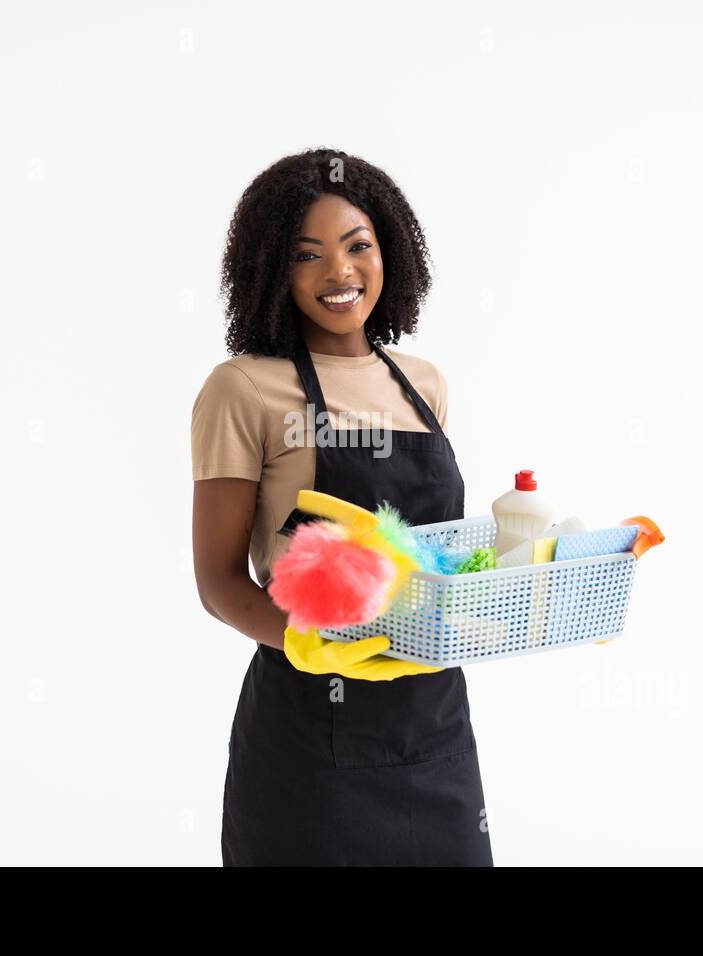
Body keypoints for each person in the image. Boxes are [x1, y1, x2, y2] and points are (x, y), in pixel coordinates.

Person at [191, 148, 493, 866]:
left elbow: (437, 555)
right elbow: (220, 582)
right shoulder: (243, 391)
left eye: (359, 247)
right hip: (308, 741)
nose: (340, 273)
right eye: (308, 255)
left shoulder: (425, 384)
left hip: (432, 730)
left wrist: (491, 601)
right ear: (272, 269)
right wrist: (316, 646)